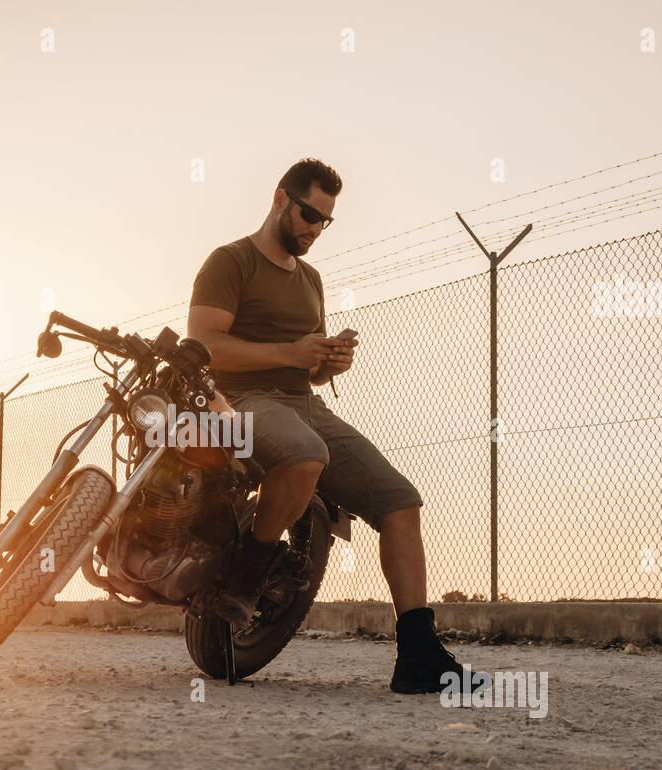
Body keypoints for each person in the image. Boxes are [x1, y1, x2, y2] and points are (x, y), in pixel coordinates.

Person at [187, 157, 464, 694]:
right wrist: (292, 350)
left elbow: (305, 373)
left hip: (299, 402)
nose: (314, 229)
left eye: (325, 221)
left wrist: (325, 363)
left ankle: (418, 657)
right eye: (309, 214)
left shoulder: (311, 278)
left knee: (401, 501)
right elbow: (206, 347)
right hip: (237, 400)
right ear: (280, 199)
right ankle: (243, 582)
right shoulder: (230, 261)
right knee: (304, 453)